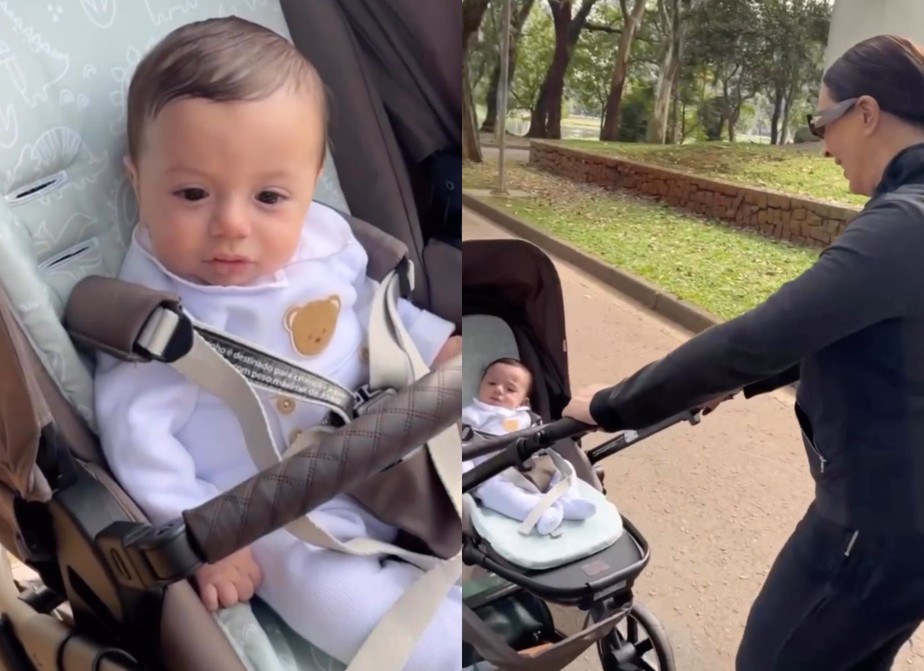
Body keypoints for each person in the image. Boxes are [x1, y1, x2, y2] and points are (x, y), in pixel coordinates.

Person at [93, 17, 461, 670]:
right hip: (274, 509)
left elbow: (377, 306)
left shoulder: (326, 236)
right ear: (136, 179)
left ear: (311, 181)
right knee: (343, 607)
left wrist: (431, 344)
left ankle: (516, 560)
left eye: (269, 195)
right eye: (191, 193)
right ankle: (455, 647)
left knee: (481, 455)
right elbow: (139, 441)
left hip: (384, 438)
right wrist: (206, 536)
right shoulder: (151, 321)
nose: (231, 223)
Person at [563, 34, 924, 671]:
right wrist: (740, 380)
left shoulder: (902, 226)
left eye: (823, 120)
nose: (823, 143)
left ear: (866, 114)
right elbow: (869, 330)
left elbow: (757, 338)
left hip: (874, 522)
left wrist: (611, 405)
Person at [463, 358, 595, 536]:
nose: (498, 390)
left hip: (535, 465)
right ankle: (540, 512)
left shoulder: (526, 416)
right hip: (495, 471)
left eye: (510, 389)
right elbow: (462, 445)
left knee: (565, 466)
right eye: (491, 383)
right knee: (490, 491)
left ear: (523, 402)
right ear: (481, 385)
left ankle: (569, 501)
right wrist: (468, 474)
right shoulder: (472, 414)